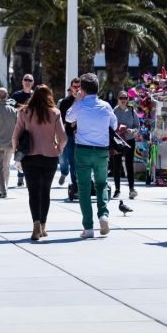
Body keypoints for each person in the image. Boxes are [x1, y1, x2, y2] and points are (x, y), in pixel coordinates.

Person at [65, 73, 118, 239]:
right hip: (102, 150)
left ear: (82, 89)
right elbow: (114, 125)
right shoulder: (106, 106)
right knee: (102, 184)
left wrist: (77, 100)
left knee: (84, 187)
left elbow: (68, 118)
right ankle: (103, 215)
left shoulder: (79, 105)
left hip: (83, 150)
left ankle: (88, 228)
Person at [12, 85, 66, 241]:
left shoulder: (24, 112)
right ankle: (43, 225)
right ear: (49, 96)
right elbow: (63, 138)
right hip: (50, 156)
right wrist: (58, 149)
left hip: (29, 157)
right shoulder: (55, 113)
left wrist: (17, 155)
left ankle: (35, 223)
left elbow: (15, 137)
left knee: (33, 192)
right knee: (45, 191)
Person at [112, 91, 139, 200]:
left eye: (125, 98)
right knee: (116, 165)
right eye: (121, 98)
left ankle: (131, 189)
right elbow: (110, 125)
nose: (123, 100)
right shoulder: (114, 111)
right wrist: (118, 129)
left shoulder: (132, 111)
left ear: (128, 99)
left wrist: (131, 130)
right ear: (118, 99)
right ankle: (117, 189)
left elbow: (137, 126)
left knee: (129, 165)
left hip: (129, 140)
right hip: (117, 141)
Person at [11, 74, 35, 187]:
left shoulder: (35, 95)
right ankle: (20, 176)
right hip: (20, 126)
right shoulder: (16, 95)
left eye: (30, 80)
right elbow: (11, 106)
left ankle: (28, 176)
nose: (27, 81)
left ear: (32, 82)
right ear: (22, 82)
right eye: (25, 79)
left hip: (34, 127)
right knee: (20, 151)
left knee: (31, 152)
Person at [57, 78, 80, 198]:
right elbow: (62, 122)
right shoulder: (65, 102)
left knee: (82, 163)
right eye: (75, 87)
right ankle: (75, 186)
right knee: (71, 161)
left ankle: (82, 185)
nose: (77, 89)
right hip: (70, 136)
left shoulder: (84, 101)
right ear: (71, 88)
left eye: (79, 86)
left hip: (83, 137)